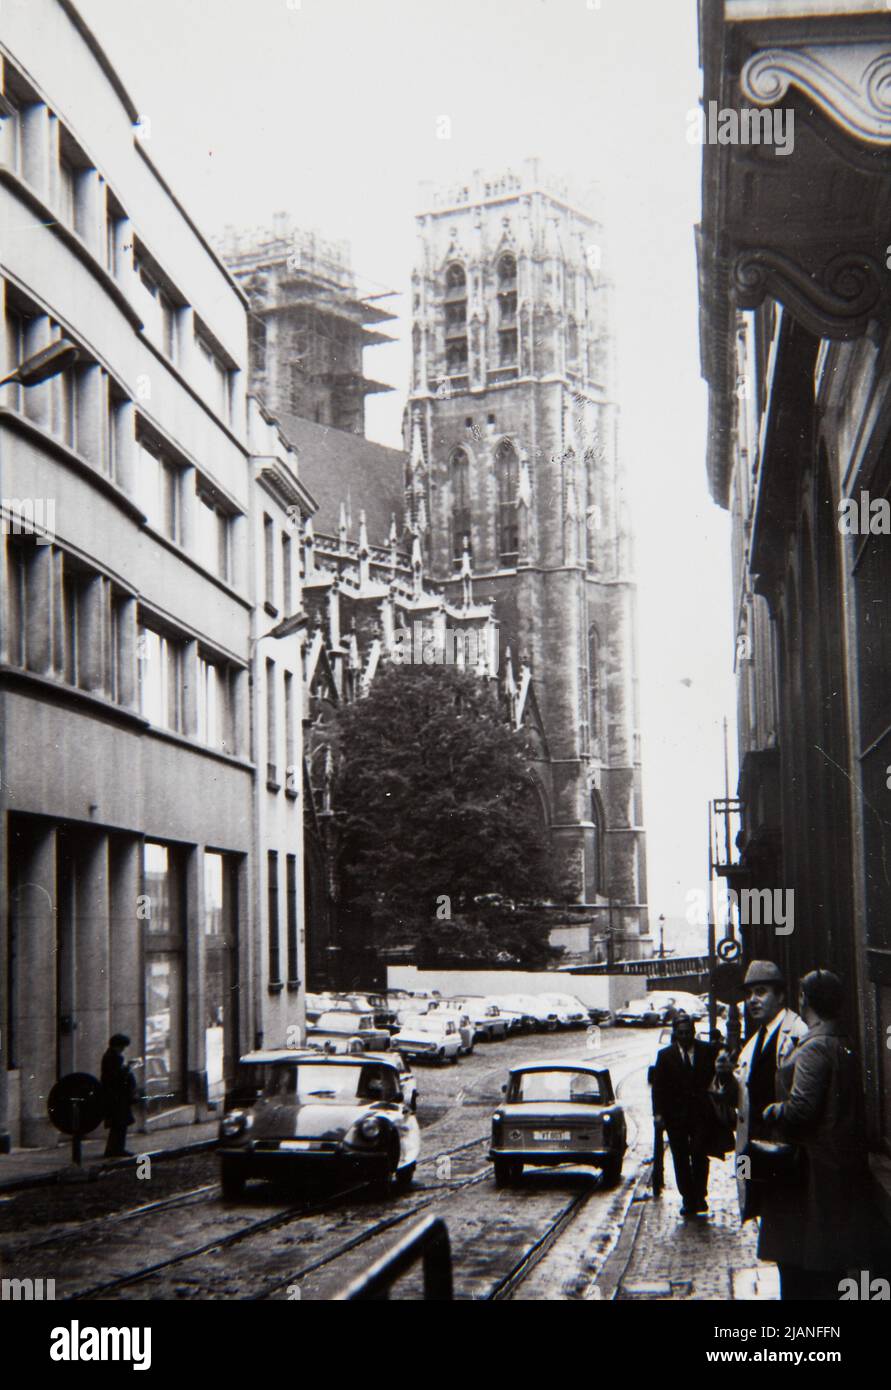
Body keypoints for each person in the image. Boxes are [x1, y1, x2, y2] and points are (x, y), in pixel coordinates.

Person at [760, 969, 878, 1300]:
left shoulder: (815, 1048)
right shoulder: (843, 1041)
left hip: (810, 1171)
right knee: (831, 1265)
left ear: (806, 1000)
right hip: (838, 1166)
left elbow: (800, 1110)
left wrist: (773, 1111)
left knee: (804, 1265)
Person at [734, 960, 807, 1223]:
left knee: (788, 1228)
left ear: (780, 995)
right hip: (760, 1151)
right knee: (773, 1226)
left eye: (761, 992)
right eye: (749, 994)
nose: (753, 1000)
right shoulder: (756, 1040)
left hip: (786, 1151)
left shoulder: (796, 1033)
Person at [651, 1012, 717, 1216]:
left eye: (688, 1032)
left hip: (700, 1115)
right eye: (680, 1033)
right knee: (680, 1157)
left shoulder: (706, 1051)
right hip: (675, 1116)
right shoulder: (665, 1055)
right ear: (675, 1034)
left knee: (699, 1154)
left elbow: (715, 1078)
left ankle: (700, 1195)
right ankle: (688, 1198)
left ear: (694, 1032)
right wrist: (658, 1114)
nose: (685, 1036)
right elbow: (658, 1087)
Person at [100, 1033, 138, 1158]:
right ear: (117, 1045)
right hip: (117, 1097)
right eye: (122, 1046)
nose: (123, 1049)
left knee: (118, 1124)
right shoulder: (114, 1058)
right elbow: (117, 1077)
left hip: (114, 1096)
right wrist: (128, 1069)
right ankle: (116, 1149)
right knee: (120, 1124)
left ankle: (114, 1149)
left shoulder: (110, 1056)